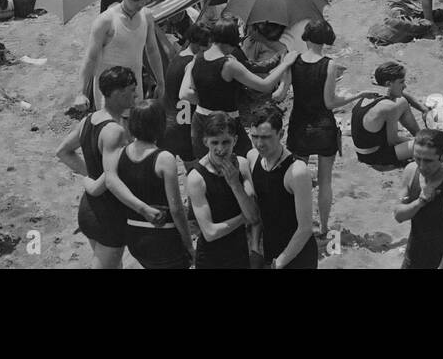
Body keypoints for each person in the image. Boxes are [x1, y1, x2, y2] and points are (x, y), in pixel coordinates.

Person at [56, 65, 163, 269]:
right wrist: (143, 209)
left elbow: (63, 151)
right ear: (117, 93)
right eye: (132, 90)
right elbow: (112, 179)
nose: (136, 95)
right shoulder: (114, 130)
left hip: (89, 209)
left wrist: (91, 175)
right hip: (109, 215)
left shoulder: (90, 119)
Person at [276, 19, 363, 235]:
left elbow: (280, 94)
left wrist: (282, 66)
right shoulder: (330, 65)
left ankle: (299, 225)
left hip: (299, 126)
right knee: (325, 182)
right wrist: (356, 96)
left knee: (298, 180)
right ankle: (324, 227)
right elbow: (330, 103)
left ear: (306, 37)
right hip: (324, 126)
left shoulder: (294, 60)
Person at [179, 16, 295, 158]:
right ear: (230, 42)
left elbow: (192, 90)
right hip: (226, 125)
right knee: (245, 162)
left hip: (200, 122)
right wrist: (285, 63)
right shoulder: (228, 64)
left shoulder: (198, 58)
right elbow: (265, 86)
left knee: (208, 170)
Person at [109, 101, 194, 268]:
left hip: (134, 237)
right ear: (160, 125)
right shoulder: (164, 159)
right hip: (164, 239)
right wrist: (189, 245)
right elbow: (176, 210)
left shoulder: (120, 154)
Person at [75, 0, 162, 113]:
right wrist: (81, 93)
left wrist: (160, 82)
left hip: (135, 92)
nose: (140, 4)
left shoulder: (147, 16)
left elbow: (152, 50)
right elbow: (90, 58)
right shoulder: (106, 21)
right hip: (109, 97)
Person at [246, 103, 317, 269]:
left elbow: (305, 228)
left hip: (297, 253)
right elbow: (257, 210)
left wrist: (279, 263)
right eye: (254, 137)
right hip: (271, 248)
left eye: (266, 137)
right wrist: (255, 247)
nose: (259, 143)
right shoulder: (252, 157)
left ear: (281, 134)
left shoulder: (297, 171)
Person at [185, 112, 260, 269]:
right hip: (211, 259)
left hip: (239, 253)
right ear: (205, 142)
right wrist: (242, 218)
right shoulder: (196, 178)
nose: (221, 148)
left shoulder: (242, 165)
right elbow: (210, 233)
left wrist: (235, 184)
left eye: (226, 142)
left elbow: (253, 217)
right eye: (215, 143)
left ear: (235, 140)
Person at [394, 129, 443, 269]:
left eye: (428, 161)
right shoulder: (410, 171)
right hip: (415, 257)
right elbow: (398, 215)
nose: (421, 166)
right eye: (417, 158)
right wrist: (420, 202)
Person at [350, 62, 423, 170]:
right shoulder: (388, 107)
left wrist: (423, 109)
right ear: (388, 84)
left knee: (402, 102)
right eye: (401, 82)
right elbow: (393, 141)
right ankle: (421, 139)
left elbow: (402, 95)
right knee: (429, 146)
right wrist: (415, 141)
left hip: (364, 147)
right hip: (374, 157)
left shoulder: (372, 93)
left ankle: (420, 135)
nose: (405, 86)